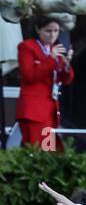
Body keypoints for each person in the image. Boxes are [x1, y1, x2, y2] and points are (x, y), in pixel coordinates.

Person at [17, 16, 73, 150]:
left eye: (56, 31)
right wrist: (50, 59)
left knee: (50, 152)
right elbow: (29, 75)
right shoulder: (27, 47)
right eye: (48, 31)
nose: (52, 35)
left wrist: (66, 66)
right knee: (38, 152)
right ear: (38, 29)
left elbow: (66, 80)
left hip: (50, 110)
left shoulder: (55, 49)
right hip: (33, 110)